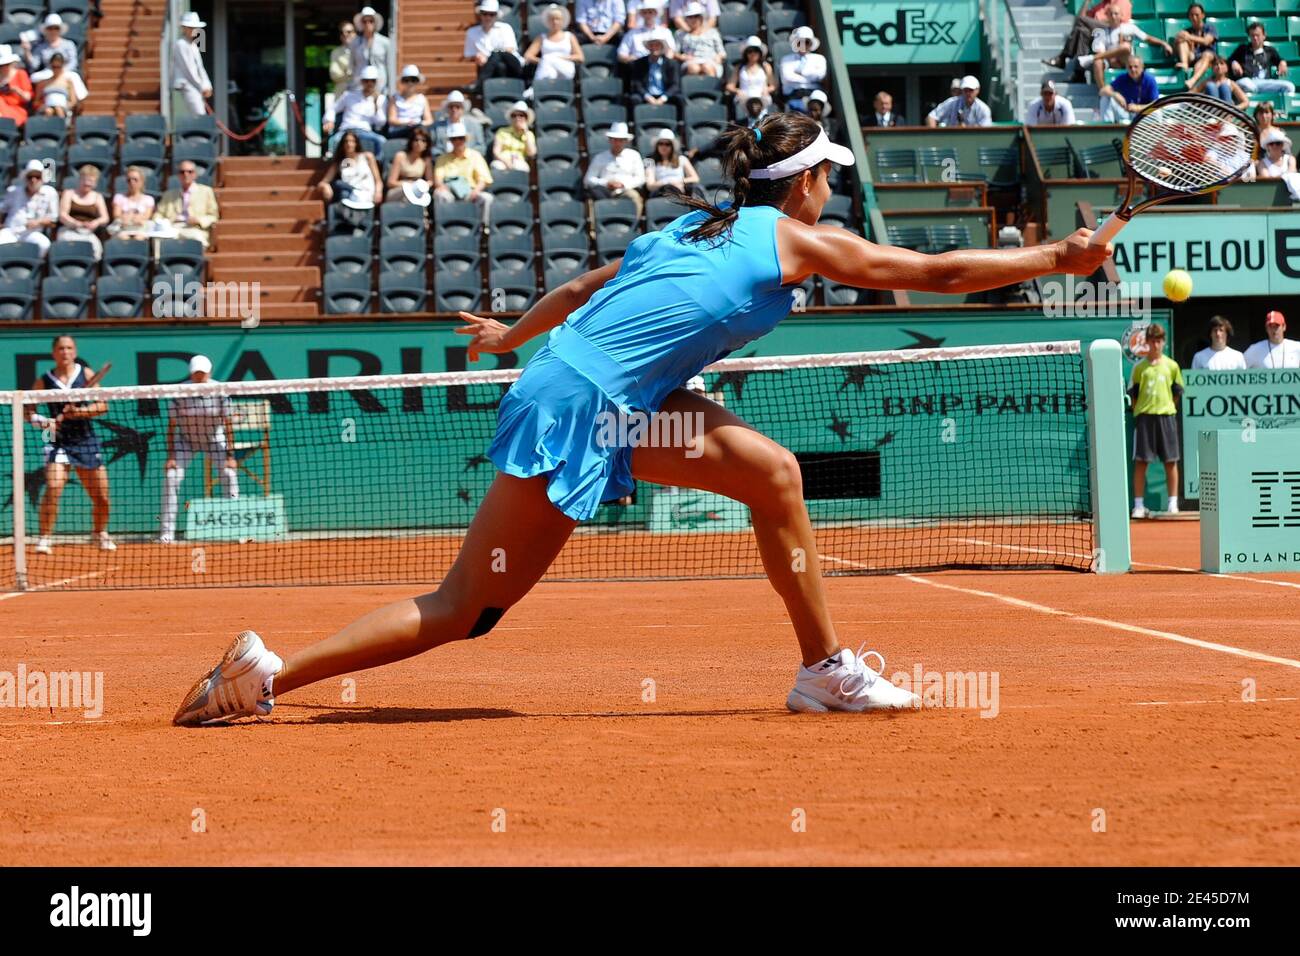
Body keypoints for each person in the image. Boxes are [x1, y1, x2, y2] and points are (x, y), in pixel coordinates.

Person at [171, 110, 1112, 727]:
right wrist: (1052, 260)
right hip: (589, 411)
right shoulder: (797, 238)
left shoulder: (691, 225)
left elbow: (584, 285)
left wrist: (508, 338)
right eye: (827, 172)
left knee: (773, 474)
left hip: (606, 399)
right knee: (469, 608)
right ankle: (266, 678)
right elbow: (935, 274)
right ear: (802, 185)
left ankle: (824, 669)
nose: (832, 186)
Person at [27, 335, 115, 555]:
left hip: (86, 440)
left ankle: (99, 533)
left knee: (101, 497)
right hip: (54, 439)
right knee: (54, 487)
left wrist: (79, 412)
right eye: (60, 348)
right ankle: (45, 538)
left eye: (69, 348)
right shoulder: (44, 380)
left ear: (74, 352)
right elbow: (27, 410)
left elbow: (103, 406)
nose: (65, 352)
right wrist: (44, 422)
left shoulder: (85, 374)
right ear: (53, 353)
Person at [159, 355, 239, 545]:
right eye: (196, 373)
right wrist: (170, 457)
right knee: (171, 478)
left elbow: (228, 425)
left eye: (202, 373)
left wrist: (230, 455)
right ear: (191, 373)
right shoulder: (180, 393)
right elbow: (171, 428)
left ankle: (237, 531)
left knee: (229, 474)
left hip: (214, 440)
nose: (199, 377)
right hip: (186, 441)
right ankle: (166, 534)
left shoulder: (220, 391)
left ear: (209, 373)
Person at [1129, 324, 1183, 518]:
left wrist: (1166, 407)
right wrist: (1143, 409)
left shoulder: (1172, 366)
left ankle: (1173, 505)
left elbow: (1177, 394)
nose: (1156, 344)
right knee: (1141, 462)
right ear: (1147, 342)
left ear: (1163, 342)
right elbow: (1133, 396)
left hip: (1167, 417)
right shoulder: (1139, 368)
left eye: (1159, 341)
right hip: (1144, 419)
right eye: (1153, 341)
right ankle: (1138, 506)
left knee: (1171, 461)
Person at [1080, 3, 1171, 90]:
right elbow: (1101, 52)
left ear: (1121, 15)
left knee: (1126, 46)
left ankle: (1091, 58)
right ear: (1107, 16)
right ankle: (1103, 91)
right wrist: (1111, 57)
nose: (1113, 16)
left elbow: (1147, 38)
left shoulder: (1130, 28)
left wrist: (1164, 43)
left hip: (1126, 60)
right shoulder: (1101, 32)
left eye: (1116, 14)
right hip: (1110, 62)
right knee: (1097, 62)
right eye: (1111, 14)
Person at [1041, 0, 1132, 75]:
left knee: (1081, 22)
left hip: (1112, 32)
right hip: (1097, 35)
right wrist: (1087, 1)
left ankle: (1063, 57)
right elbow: (1081, 18)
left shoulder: (1122, 2)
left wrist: (1094, 21)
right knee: (1082, 31)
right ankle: (1079, 73)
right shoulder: (1101, 5)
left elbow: (1119, 22)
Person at [433, 122, 494, 222]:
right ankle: (445, 225)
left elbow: (483, 179)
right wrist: (443, 188)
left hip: (470, 192)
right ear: (450, 141)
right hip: (450, 192)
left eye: (460, 138)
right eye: (454, 139)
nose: (457, 141)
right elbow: (438, 180)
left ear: (465, 139)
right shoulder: (442, 158)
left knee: (486, 198)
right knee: (440, 194)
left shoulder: (475, 156)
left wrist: (476, 191)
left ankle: (483, 229)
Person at [0, 160, 59, 256]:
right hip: (11, 230)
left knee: (44, 244)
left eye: (37, 177)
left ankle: (30, 268)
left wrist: (38, 222)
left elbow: (53, 218)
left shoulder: (50, 193)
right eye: (30, 177)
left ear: (42, 178)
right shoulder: (13, 191)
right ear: (25, 179)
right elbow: (2, 210)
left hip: (32, 233)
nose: (33, 180)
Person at [584, 121, 645, 214]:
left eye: (621, 140)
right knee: (591, 198)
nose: (618, 143)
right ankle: (592, 228)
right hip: (604, 192)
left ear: (626, 141)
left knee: (635, 197)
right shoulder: (600, 157)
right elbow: (588, 179)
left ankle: (635, 224)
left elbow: (640, 178)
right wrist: (606, 183)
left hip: (625, 190)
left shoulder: (634, 156)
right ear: (610, 140)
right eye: (615, 139)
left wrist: (623, 184)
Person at [156, 160, 220, 248]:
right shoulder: (169, 194)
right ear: (178, 175)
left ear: (195, 174)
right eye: (182, 172)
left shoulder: (206, 192)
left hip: (194, 228)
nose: (186, 174)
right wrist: (163, 222)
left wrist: (198, 220)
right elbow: (158, 214)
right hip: (172, 227)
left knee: (197, 239)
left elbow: (213, 216)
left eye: (190, 172)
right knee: (158, 242)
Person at [325, 64, 387, 155]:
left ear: (376, 82)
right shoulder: (348, 95)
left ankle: (377, 166)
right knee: (334, 140)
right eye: (366, 81)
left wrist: (376, 104)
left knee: (382, 141)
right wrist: (329, 120)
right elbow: (332, 109)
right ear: (361, 82)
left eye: (372, 81)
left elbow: (380, 123)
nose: (369, 83)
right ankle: (335, 167)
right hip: (346, 130)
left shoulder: (380, 99)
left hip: (365, 132)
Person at [319, 130, 383, 212]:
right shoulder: (339, 162)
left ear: (356, 143)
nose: (349, 144)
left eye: (352, 141)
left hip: (367, 193)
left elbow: (378, 180)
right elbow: (322, 182)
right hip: (350, 193)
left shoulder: (367, 157)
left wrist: (378, 192)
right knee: (338, 186)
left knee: (338, 184)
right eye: (346, 141)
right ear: (342, 144)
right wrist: (325, 186)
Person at [57, 165, 109, 260]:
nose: (87, 183)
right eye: (85, 180)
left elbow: (105, 218)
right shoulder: (69, 193)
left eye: (91, 181)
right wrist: (77, 224)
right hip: (69, 230)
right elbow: (62, 215)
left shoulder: (98, 196)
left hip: (88, 233)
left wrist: (95, 223)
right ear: (80, 179)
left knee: (96, 249)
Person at [464, 0, 524, 81]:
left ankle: (479, 84)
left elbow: (510, 49)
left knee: (497, 54)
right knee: (499, 65)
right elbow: (469, 55)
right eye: (485, 14)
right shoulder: (472, 32)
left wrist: (490, 57)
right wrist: (477, 57)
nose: (488, 17)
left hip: (512, 65)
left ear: (496, 15)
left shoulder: (505, 28)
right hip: (494, 67)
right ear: (480, 14)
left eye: (491, 14)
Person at [1229, 20, 1293, 95]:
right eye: (1252, 35)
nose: (1255, 38)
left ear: (1264, 35)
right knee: (1248, 85)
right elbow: (1229, 60)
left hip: (1264, 83)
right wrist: (1234, 62)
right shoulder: (1242, 49)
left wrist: (1283, 62)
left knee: (1289, 87)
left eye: (1257, 35)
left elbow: (1279, 60)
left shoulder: (1270, 50)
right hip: (1246, 81)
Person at [525, 5, 583, 83]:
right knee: (551, 72)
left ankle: (535, 87)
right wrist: (542, 61)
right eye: (552, 19)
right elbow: (528, 56)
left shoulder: (569, 36)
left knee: (547, 58)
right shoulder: (541, 37)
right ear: (548, 21)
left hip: (566, 68)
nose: (555, 22)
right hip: (547, 68)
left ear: (562, 21)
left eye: (558, 19)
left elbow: (580, 57)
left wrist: (560, 58)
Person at [171, 10, 212, 118]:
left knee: (200, 115)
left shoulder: (193, 45)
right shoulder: (181, 44)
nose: (193, 30)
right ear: (184, 28)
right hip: (188, 85)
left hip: (196, 87)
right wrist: (202, 87)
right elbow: (188, 69)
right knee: (199, 115)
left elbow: (200, 68)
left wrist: (207, 85)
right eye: (190, 27)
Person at [1098, 55, 1158, 124]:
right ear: (1126, 68)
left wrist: (1138, 108)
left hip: (1143, 114)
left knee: (1157, 112)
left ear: (1142, 68)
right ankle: (1107, 129)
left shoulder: (1149, 80)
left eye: (1136, 66)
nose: (1133, 69)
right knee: (1105, 98)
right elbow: (1102, 91)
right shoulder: (1122, 78)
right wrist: (1115, 94)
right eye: (1130, 67)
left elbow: (1155, 104)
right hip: (1126, 112)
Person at [780, 26, 826, 113]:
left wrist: (800, 72)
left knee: (816, 106)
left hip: (814, 94)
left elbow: (820, 76)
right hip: (794, 94)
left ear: (811, 43)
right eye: (799, 42)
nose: (803, 45)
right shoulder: (786, 59)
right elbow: (787, 78)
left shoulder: (820, 58)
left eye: (806, 42)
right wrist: (810, 78)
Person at [627, 31, 680, 107]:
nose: (654, 48)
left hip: (665, 95)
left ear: (662, 47)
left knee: (679, 99)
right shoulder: (639, 63)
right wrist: (648, 97)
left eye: (657, 45)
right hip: (646, 95)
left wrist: (663, 98)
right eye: (651, 45)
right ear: (648, 47)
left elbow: (675, 85)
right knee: (634, 99)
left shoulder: (671, 64)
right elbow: (637, 84)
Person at [726, 36, 774, 120]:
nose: (753, 54)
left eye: (756, 51)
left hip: (762, 99)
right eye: (750, 51)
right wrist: (738, 91)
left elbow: (773, 85)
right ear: (746, 53)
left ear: (760, 53)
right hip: (744, 100)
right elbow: (730, 86)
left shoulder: (766, 67)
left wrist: (767, 90)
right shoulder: (739, 67)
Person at [384, 126, 434, 203]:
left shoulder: (426, 160)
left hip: (417, 192)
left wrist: (421, 187)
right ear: (411, 142)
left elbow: (430, 181)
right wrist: (408, 185)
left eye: (423, 141)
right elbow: (391, 182)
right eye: (416, 140)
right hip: (399, 190)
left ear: (427, 144)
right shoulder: (400, 156)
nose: (419, 143)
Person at [644, 128, 698, 196]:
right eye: (661, 143)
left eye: (667, 144)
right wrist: (667, 182)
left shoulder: (682, 159)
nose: (664, 146)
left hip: (681, 192)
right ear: (657, 145)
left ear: (672, 146)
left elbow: (695, 178)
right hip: (661, 192)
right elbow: (650, 186)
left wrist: (679, 182)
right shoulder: (649, 161)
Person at [675, 2, 724, 78]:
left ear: (701, 18)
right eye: (690, 17)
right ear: (686, 19)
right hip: (690, 62)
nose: (693, 19)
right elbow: (674, 53)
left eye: (696, 16)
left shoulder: (713, 32)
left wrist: (719, 57)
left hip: (710, 61)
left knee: (707, 67)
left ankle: (712, 89)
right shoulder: (680, 34)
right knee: (693, 68)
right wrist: (682, 57)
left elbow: (722, 52)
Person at [1175, 4, 1218, 90]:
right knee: (1182, 41)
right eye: (1191, 15)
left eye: (1197, 15)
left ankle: (1193, 81)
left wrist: (1189, 37)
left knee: (1207, 55)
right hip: (1193, 56)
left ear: (1203, 15)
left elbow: (1206, 41)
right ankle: (1184, 63)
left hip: (1207, 58)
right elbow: (1178, 42)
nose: (1194, 18)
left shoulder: (1210, 28)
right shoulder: (1187, 31)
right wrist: (1179, 38)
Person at [431, 90, 488, 154]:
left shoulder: (475, 125)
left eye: (457, 107)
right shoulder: (437, 127)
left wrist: (466, 154)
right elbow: (434, 149)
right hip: (445, 162)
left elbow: (481, 147)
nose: (454, 110)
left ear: (463, 109)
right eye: (451, 107)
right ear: (447, 109)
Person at [350, 6, 391, 92]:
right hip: (359, 86)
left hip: (380, 86)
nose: (368, 24)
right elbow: (352, 65)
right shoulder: (355, 43)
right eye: (364, 21)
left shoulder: (385, 42)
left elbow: (389, 66)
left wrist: (389, 87)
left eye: (371, 21)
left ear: (375, 23)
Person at [108, 165, 156, 239]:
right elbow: (116, 215)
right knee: (123, 237)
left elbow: (146, 216)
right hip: (123, 229)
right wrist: (132, 218)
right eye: (129, 180)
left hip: (140, 230)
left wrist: (129, 216)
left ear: (142, 181)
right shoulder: (119, 197)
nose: (131, 182)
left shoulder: (149, 199)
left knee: (139, 238)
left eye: (135, 179)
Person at [926, 75, 992, 128]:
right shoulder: (951, 102)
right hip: (951, 142)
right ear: (962, 90)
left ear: (978, 90)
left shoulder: (984, 109)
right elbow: (931, 117)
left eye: (971, 90)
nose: (968, 93)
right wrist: (934, 139)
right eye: (965, 90)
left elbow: (985, 131)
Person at [491, 100, 537, 172]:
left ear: (526, 118)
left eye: (521, 115)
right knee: (496, 166)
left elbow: (531, 153)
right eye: (514, 115)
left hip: (519, 162)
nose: (517, 118)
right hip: (502, 161)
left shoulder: (529, 134)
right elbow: (496, 152)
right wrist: (506, 161)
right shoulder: (502, 131)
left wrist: (525, 132)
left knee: (521, 168)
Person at [386, 64, 431, 135]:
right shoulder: (394, 98)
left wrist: (419, 124)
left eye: (413, 80)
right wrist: (406, 123)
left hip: (417, 129)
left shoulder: (422, 99)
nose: (410, 83)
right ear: (402, 82)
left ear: (417, 82)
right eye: (406, 80)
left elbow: (429, 120)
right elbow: (391, 120)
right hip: (398, 130)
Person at [35, 51, 78, 117]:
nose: (56, 69)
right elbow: (36, 101)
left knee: (58, 110)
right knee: (48, 111)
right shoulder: (43, 82)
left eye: (58, 67)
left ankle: (62, 126)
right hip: (47, 106)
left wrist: (65, 105)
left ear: (62, 66)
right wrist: (43, 105)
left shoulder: (68, 81)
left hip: (63, 107)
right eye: (54, 67)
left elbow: (73, 101)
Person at [0, 45, 33, 128]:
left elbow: (27, 98)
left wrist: (16, 90)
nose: (3, 67)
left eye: (6, 64)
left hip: (16, 110)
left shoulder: (21, 74)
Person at [330, 20, 356, 98]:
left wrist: (346, 72)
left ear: (355, 33)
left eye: (349, 32)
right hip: (341, 96)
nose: (345, 34)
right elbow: (334, 75)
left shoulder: (361, 50)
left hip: (358, 97)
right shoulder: (335, 52)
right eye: (342, 32)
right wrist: (351, 73)